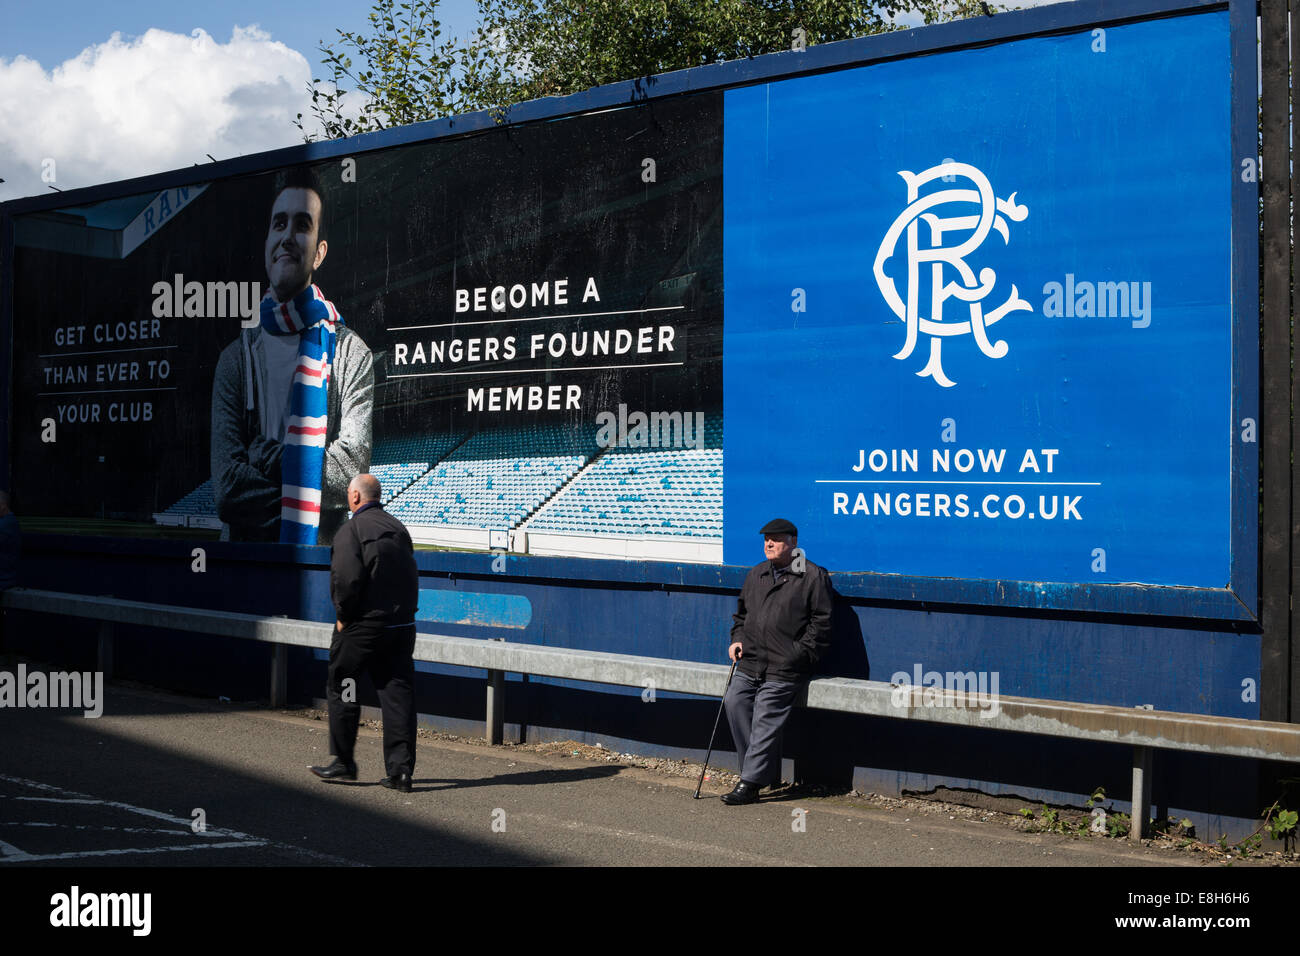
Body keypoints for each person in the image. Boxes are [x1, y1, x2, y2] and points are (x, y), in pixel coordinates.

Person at [211, 166, 373, 546]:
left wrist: (267, 457)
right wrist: (306, 485)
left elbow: (349, 475)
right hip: (244, 570)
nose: (287, 236)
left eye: (302, 225)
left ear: (319, 252)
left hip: (319, 575)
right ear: (267, 242)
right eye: (278, 223)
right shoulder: (234, 360)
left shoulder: (351, 353)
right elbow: (228, 490)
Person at [311, 474, 420, 791]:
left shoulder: (352, 530)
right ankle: (400, 772)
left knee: (344, 683)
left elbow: (346, 579)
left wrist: (343, 616)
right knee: (397, 695)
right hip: (400, 627)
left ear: (356, 497)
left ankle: (344, 761)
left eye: (348, 494)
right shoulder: (399, 528)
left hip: (364, 627)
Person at [721, 518, 833, 805]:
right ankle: (760, 774)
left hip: (784, 666)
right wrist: (737, 639)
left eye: (776, 539)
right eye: (766, 540)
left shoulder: (812, 576)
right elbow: (742, 615)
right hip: (751, 660)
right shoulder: (756, 574)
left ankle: (750, 782)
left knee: (766, 715)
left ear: (793, 543)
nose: (768, 544)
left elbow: (821, 625)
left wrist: (798, 654)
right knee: (735, 702)